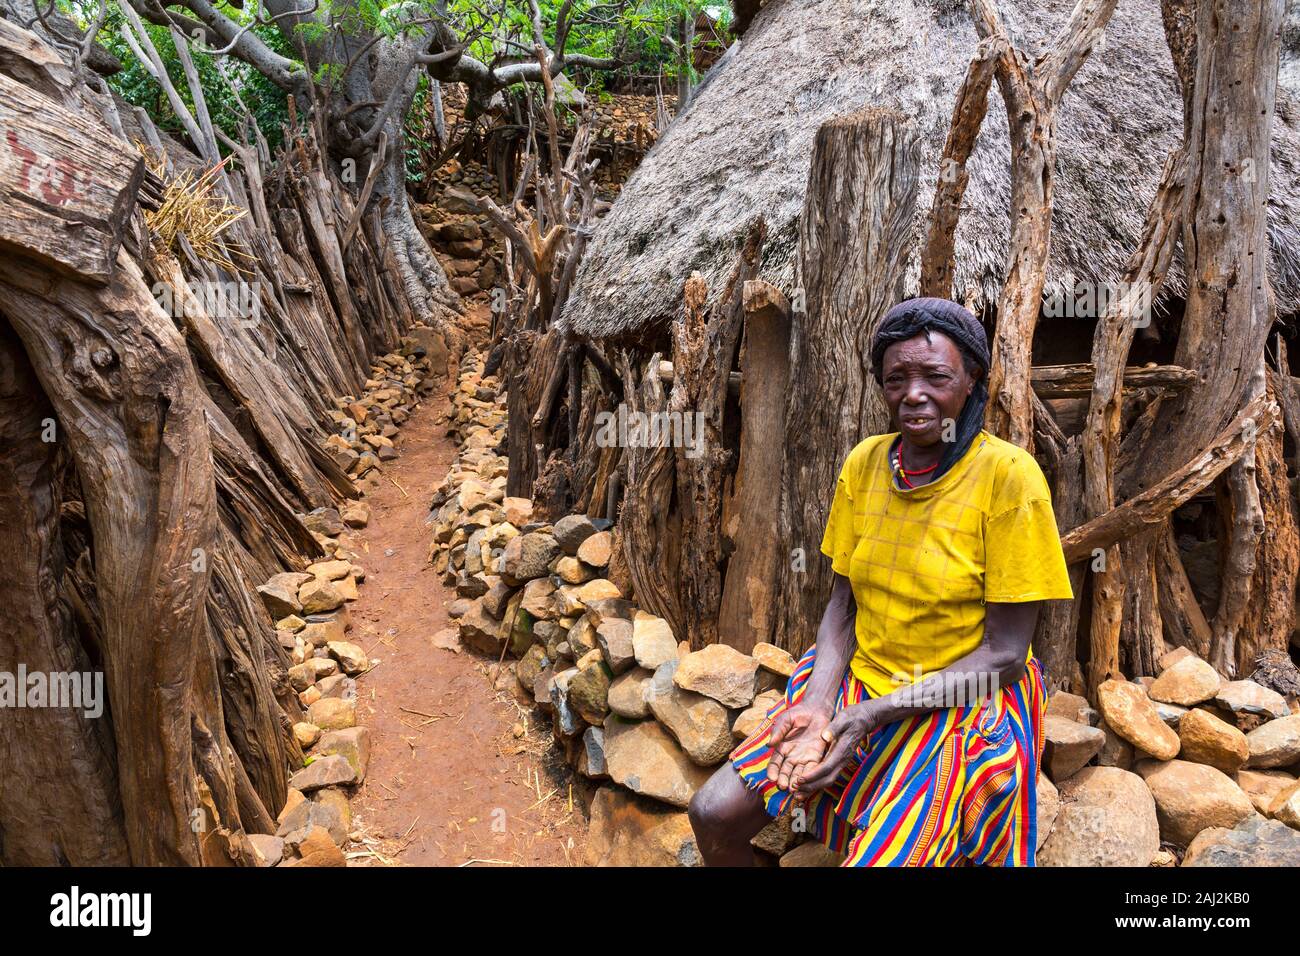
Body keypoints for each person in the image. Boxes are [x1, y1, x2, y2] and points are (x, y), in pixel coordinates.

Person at [687, 297, 1074, 867]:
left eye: (936, 376)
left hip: (959, 702)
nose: (913, 393)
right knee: (712, 813)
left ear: (972, 381)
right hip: (861, 682)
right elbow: (843, 605)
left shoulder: (1009, 478)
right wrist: (820, 705)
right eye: (896, 378)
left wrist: (874, 714)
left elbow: (1004, 656)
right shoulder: (866, 464)